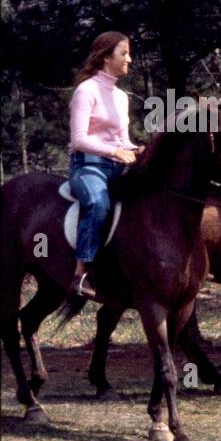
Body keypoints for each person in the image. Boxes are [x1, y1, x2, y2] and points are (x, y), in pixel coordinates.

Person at [67, 31, 141, 300]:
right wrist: (116, 152)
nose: (129, 59)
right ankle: (81, 273)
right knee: (99, 204)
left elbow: (123, 139)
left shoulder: (121, 97)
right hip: (87, 167)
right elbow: (79, 139)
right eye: (124, 53)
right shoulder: (86, 90)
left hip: (116, 166)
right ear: (106, 56)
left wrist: (138, 150)